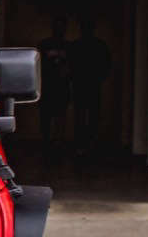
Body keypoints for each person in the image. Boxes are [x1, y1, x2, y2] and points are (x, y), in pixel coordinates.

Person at [70, 19, 112, 153]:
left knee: (87, 116)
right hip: (86, 84)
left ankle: (87, 144)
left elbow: (106, 65)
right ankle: (85, 144)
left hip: (87, 84)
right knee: (85, 116)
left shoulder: (79, 45)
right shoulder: (97, 45)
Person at [38, 17, 72, 157]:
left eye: (62, 27)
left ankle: (59, 143)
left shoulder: (69, 46)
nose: (59, 30)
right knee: (45, 116)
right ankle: (45, 143)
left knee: (60, 117)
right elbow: (38, 64)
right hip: (46, 86)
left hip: (62, 86)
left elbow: (73, 66)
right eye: (57, 27)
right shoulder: (44, 44)